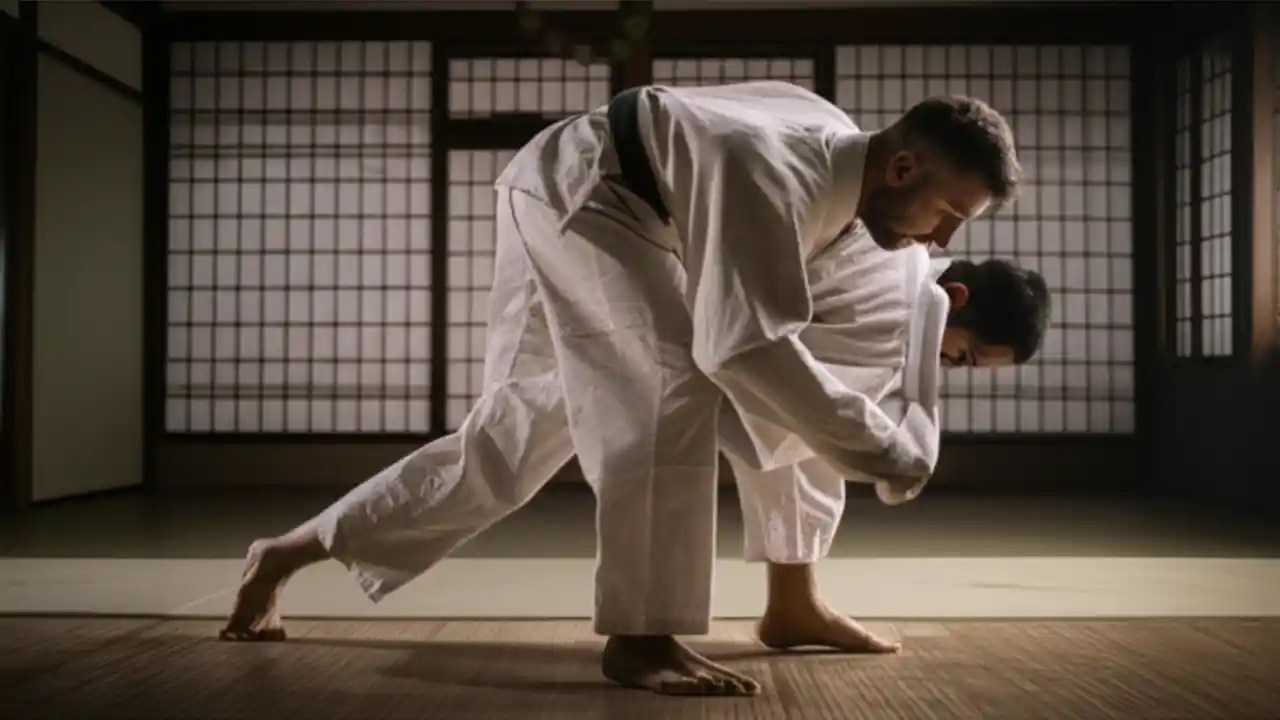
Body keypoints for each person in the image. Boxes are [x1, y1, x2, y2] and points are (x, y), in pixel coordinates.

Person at [221, 82, 1021, 696]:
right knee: (667, 394)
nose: (946, 238)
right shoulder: (772, 171)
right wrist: (882, 449)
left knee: (519, 436)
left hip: (639, 218)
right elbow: (743, 348)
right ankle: (642, 636)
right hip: (590, 192)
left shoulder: (854, 182)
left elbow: (794, 376)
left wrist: (857, 434)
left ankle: (285, 553)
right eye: (947, 212)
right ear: (903, 167)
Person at [726, 229, 1050, 655]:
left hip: (759, 346)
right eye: (964, 355)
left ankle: (793, 603)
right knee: (811, 424)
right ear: (956, 296)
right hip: (730, 330)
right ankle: (791, 604)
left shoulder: (918, 310)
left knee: (815, 441)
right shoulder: (892, 286)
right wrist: (892, 455)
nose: (953, 364)